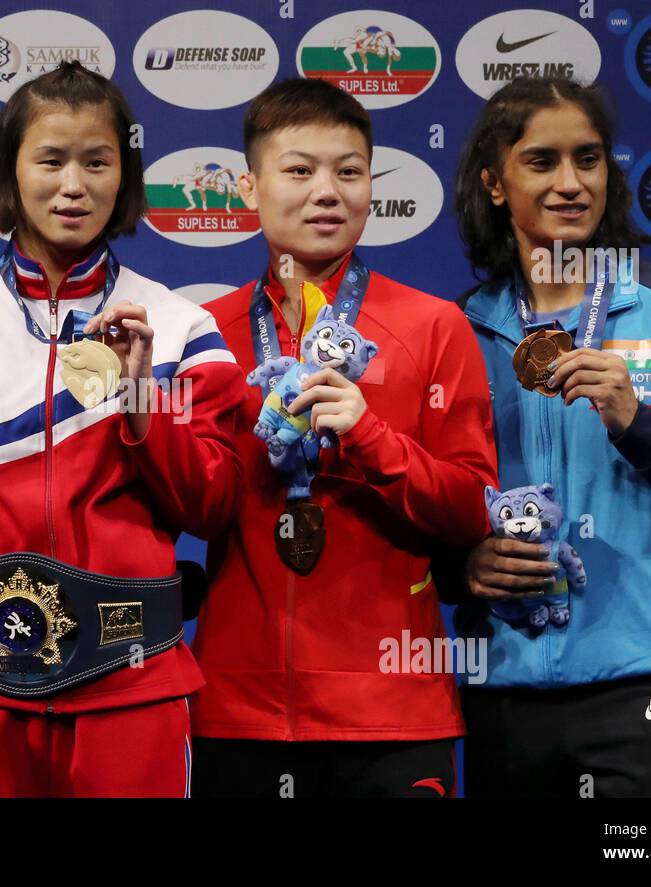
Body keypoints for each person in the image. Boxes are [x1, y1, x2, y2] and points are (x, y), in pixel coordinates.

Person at [0, 61, 243, 797]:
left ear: (124, 177)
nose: (74, 185)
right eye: (50, 159)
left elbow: (214, 503)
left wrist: (140, 399)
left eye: (98, 161)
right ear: (9, 174)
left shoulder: (181, 326)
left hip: (133, 688)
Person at [449, 76, 651, 797]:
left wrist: (642, 427)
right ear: (495, 184)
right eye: (542, 161)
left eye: (589, 159)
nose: (571, 183)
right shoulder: (454, 331)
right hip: (503, 687)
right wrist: (461, 565)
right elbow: (424, 505)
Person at [191, 78, 498, 798]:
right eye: (299, 170)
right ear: (248, 187)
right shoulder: (204, 332)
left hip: (392, 715)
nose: (327, 191)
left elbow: (472, 508)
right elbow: (188, 503)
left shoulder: (432, 325)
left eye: (349, 171)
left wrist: (368, 433)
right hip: (237, 718)